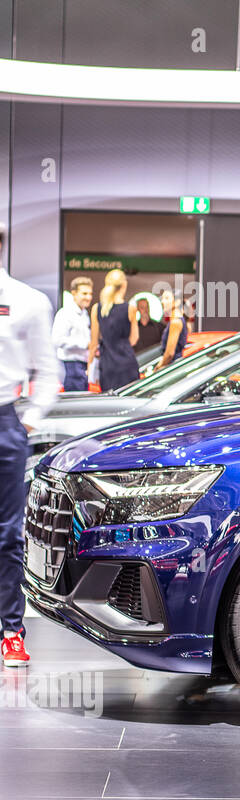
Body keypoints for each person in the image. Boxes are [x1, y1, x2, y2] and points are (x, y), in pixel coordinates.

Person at [0, 223, 59, 666]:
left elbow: (48, 371)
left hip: (5, 423)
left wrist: (29, 421)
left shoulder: (27, 302)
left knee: (7, 534)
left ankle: (11, 631)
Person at [88, 269, 140, 392]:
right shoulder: (130, 309)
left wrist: (90, 366)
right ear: (124, 285)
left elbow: (93, 343)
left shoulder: (97, 309)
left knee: (108, 402)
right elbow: (134, 339)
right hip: (127, 364)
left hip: (107, 365)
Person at [50, 276, 94, 391]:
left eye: (90, 293)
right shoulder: (65, 313)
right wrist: (85, 344)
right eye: (84, 293)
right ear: (74, 293)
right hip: (70, 366)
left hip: (82, 366)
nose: (88, 297)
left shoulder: (84, 314)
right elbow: (57, 340)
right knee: (75, 404)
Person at [154, 287, 189, 370]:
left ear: (177, 302)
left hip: (172, 367)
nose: (162, 301)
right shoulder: (176, 320)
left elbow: (169, 354)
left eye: (166, 298)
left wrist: (157, 369)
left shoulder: (175, 322)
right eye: (162, 298)